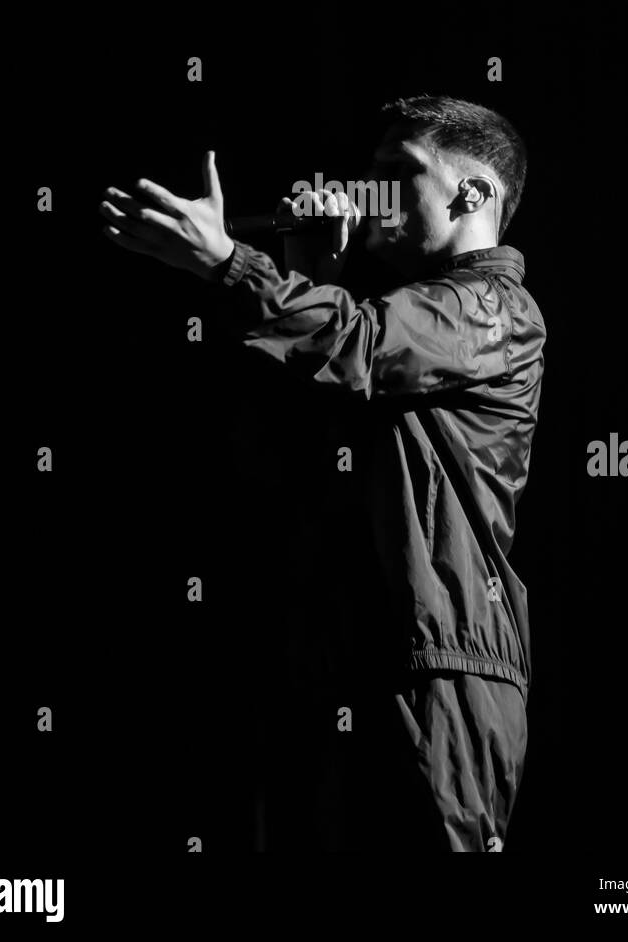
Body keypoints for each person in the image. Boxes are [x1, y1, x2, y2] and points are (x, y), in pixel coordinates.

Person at [101, 94, 546, 852]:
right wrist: (315, 267)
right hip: (348, 661)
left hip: (439, 669)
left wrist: (228, 263)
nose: (367, 191)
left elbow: (360, 347)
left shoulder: (497, 309)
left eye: (396, 172)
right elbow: (316, 446)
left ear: (473, 194)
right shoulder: (406, 314)